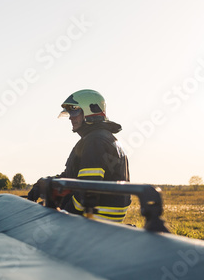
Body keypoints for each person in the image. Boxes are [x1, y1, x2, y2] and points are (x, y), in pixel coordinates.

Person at [27, 89, 131, 222]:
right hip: (99, 218)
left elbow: (86, 191)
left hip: (93, 221)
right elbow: (73, 178)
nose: (71, 117)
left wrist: (63, 216)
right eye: (70, 112)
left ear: (90, 112)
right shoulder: (101, 138)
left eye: (75, 110)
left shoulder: (95, 141)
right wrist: (47, 184)